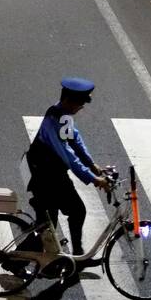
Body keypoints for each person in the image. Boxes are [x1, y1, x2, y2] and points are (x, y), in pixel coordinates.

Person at [24, 77, 111, 259]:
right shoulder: (53, 120)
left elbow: (74, 138)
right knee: (48, 226)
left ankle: (76, 255)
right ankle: (15, 263)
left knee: (72, 212)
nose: (82, 107)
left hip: (53, 174)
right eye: (80, 103)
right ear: (68, 101)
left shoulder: (63, 114)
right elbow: (67, 155)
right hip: (44, 177)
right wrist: (93, 178)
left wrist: (92, 164)